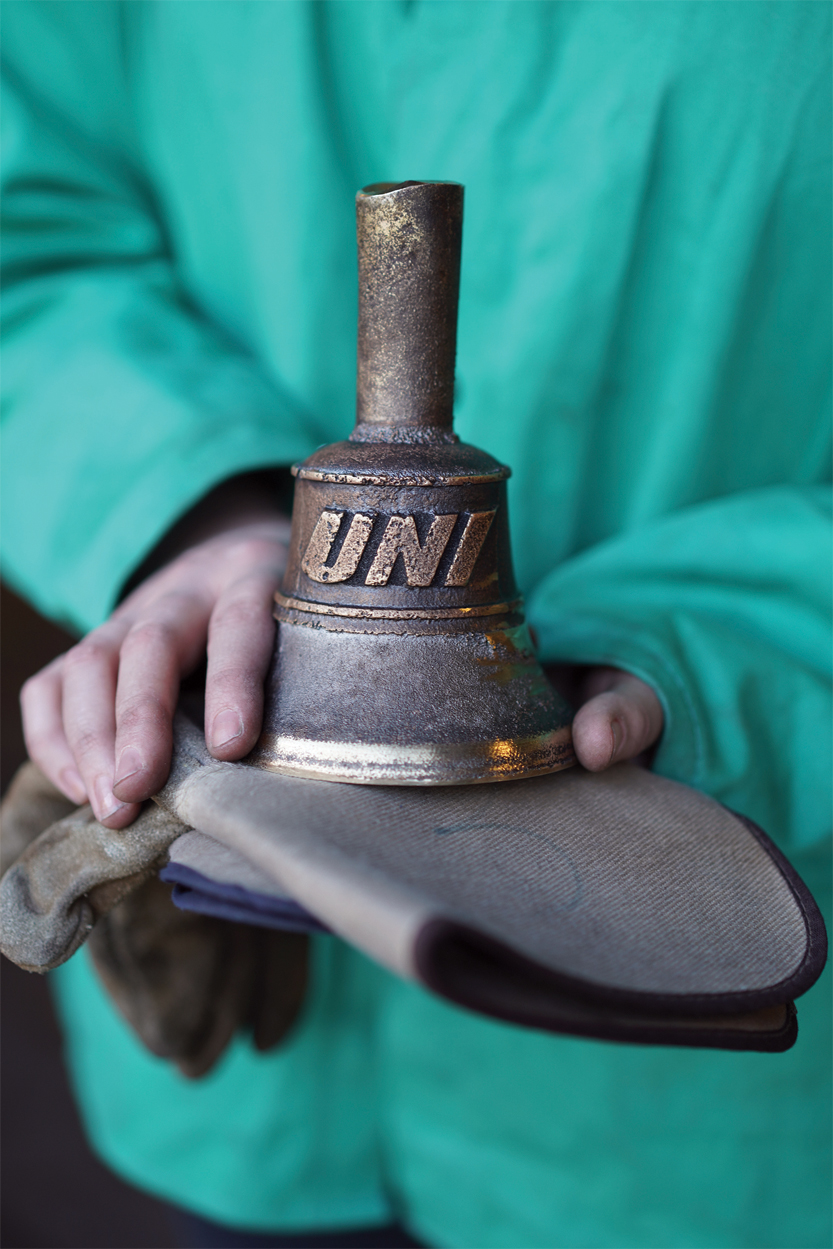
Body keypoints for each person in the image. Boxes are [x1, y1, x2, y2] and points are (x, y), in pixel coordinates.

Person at [2, 2, 830, 1246]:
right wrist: (197, 512)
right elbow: (29, 228)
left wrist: (720, 647)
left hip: (692, 1129)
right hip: (271, 1082)